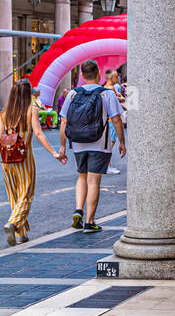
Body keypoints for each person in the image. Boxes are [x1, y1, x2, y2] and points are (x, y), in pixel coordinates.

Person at [60, 60, 125, 233]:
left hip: (78, 143)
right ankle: (89, 222)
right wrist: (122, 142)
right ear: (98, 74)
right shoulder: (107, 94)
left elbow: (64, 121)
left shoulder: (72, 94)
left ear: (82, 75)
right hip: (100, 143)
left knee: (81, 177)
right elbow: (117, 119)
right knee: (94, 180)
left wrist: (62, 146)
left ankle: (78, 209)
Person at [0, 77, 66, 245]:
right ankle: (13, 223)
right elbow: (38, 134)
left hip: (6, 159)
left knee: (14, 196)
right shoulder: (31, 111)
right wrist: (54, 153)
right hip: (24, 158)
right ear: (28, 94)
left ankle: (21, 235)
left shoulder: (5, 112)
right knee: (26, 195)